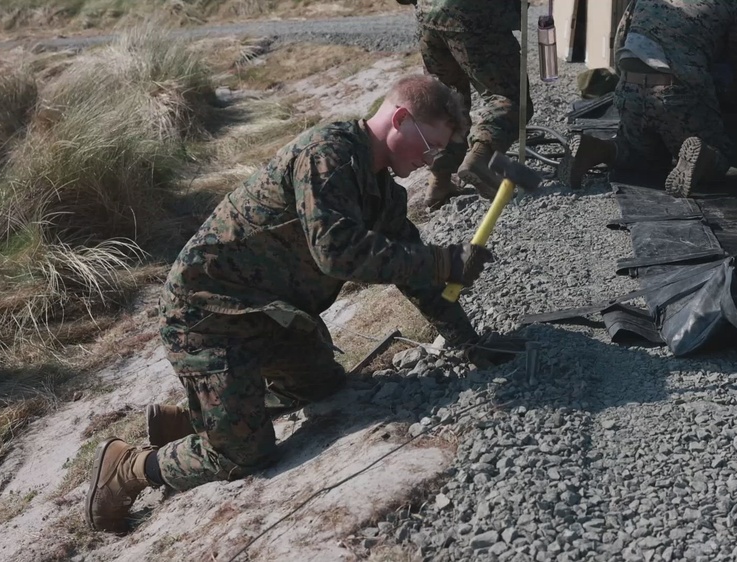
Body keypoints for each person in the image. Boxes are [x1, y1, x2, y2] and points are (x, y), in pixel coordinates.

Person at [84, 74, 498, 533]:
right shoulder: (328, 156)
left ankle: (196, 417)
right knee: (244, 454)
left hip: (265, 315)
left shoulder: (382, 190)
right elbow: (337, 252)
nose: (429, 159)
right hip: (206, 315)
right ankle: (128, 466)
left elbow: (413, 273)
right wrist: (444, 261)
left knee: (321, 384)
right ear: (399, 119)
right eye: (430, 145)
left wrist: (469, 341)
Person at [570, 0, 737, 197]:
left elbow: (621, 38)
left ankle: (598, 149)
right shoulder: (734, 4)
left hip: (630, 84)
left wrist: (627, 85)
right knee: (720, 154)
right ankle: (702, 155)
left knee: (638, 155)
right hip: (678, 89)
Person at [411, 0, 534, 209]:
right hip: (475, 15)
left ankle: (439, 181)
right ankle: (480, 158)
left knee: (445, 100)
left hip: (429, 17)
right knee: (511, 98)